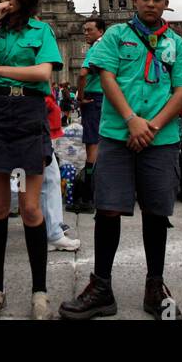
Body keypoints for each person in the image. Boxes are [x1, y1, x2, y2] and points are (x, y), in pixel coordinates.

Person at [59, 0, 182, 320]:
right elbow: (106, 76)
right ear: (135, 1)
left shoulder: (177, 44)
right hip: (117, 135)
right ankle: (101, 287)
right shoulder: (116, 37)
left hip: (160, 139)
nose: (151, 3)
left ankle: (155, 287)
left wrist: (150, 126)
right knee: (107, 208)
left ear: (166, 3)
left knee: (156, 212)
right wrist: (131, 119)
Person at [0, 0, 63, 320]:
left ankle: (39, 293)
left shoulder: (42, 30)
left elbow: (43, 74)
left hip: (27, 117)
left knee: (29, 207)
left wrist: (0, 70)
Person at [0, 92, 80, 256]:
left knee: (48, 179)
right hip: (30, 123)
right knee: (26, 186)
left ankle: (53, 231)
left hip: (39, 121)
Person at [71, 16, 107, 214]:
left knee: (92, 145)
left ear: (100, 31)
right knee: (98, 143)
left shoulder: (96, 48)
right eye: (84, 30)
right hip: (103, 99)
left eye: (89, 30)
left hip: (93, 99)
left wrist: (81, 96)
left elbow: (83, 73)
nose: (85, 33)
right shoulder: (106, 46)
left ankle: (88, 197)